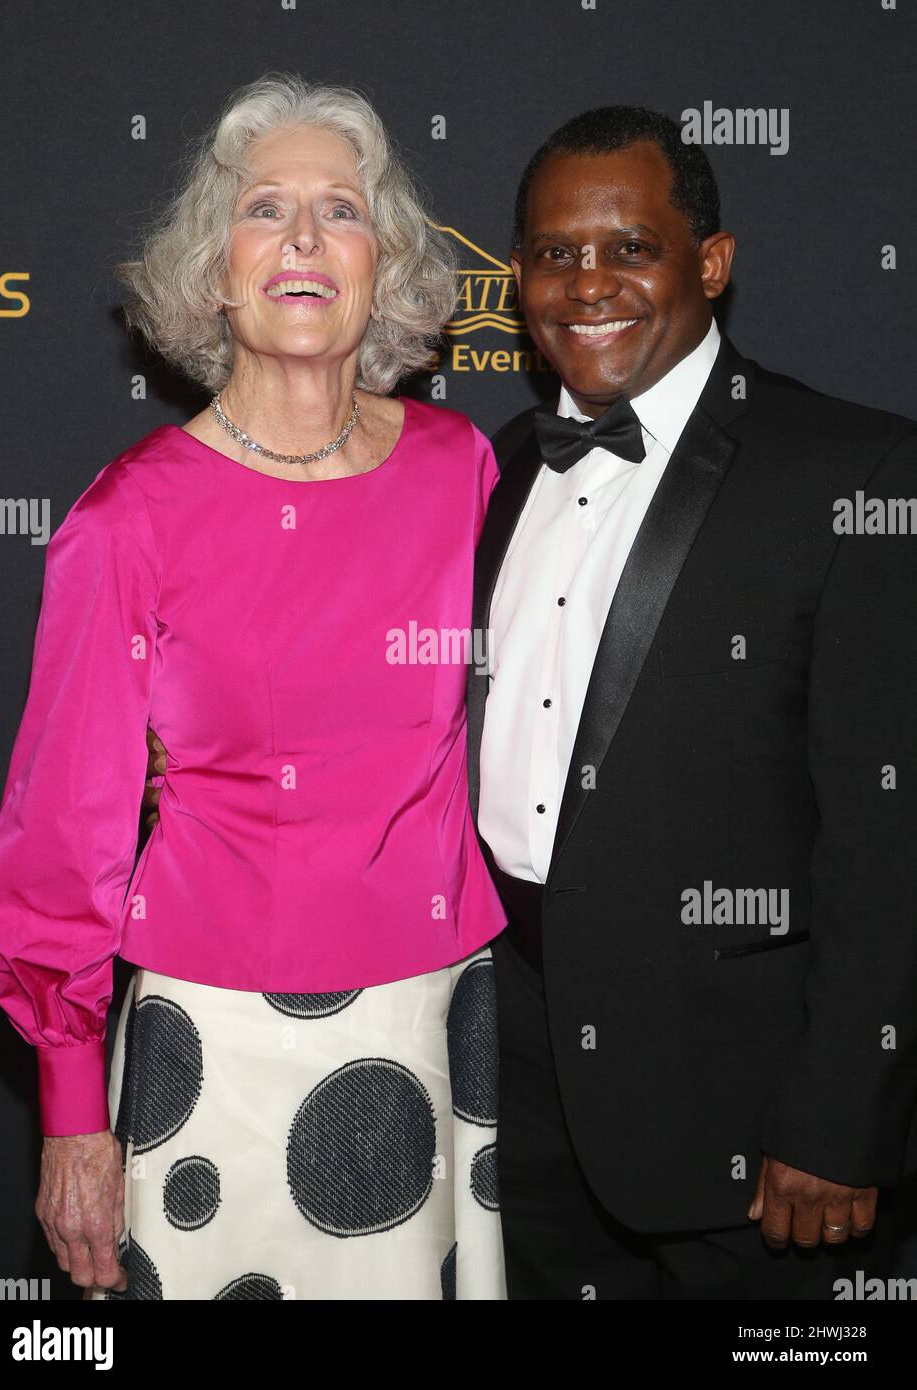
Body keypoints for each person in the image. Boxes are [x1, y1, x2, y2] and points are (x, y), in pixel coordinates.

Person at [0, 72, 508, 1301]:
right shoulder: (131, 517)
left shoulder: (457, 467)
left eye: (343, 210)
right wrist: (67, 1109)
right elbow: (59, 839)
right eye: (266, 209)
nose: (306, 239)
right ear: (215, 268)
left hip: (439, 1012)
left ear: (390, 266)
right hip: (219, 1038)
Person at [466, 105, 917, 1299]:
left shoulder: (852, 474)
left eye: (630, 246)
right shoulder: (492, 470)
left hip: (758, 1131)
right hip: (519, 1097)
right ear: (518, 279)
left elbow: (890, 840)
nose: (588, 283)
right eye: (556, 254)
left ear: (709, 264)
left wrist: (839, 1115)